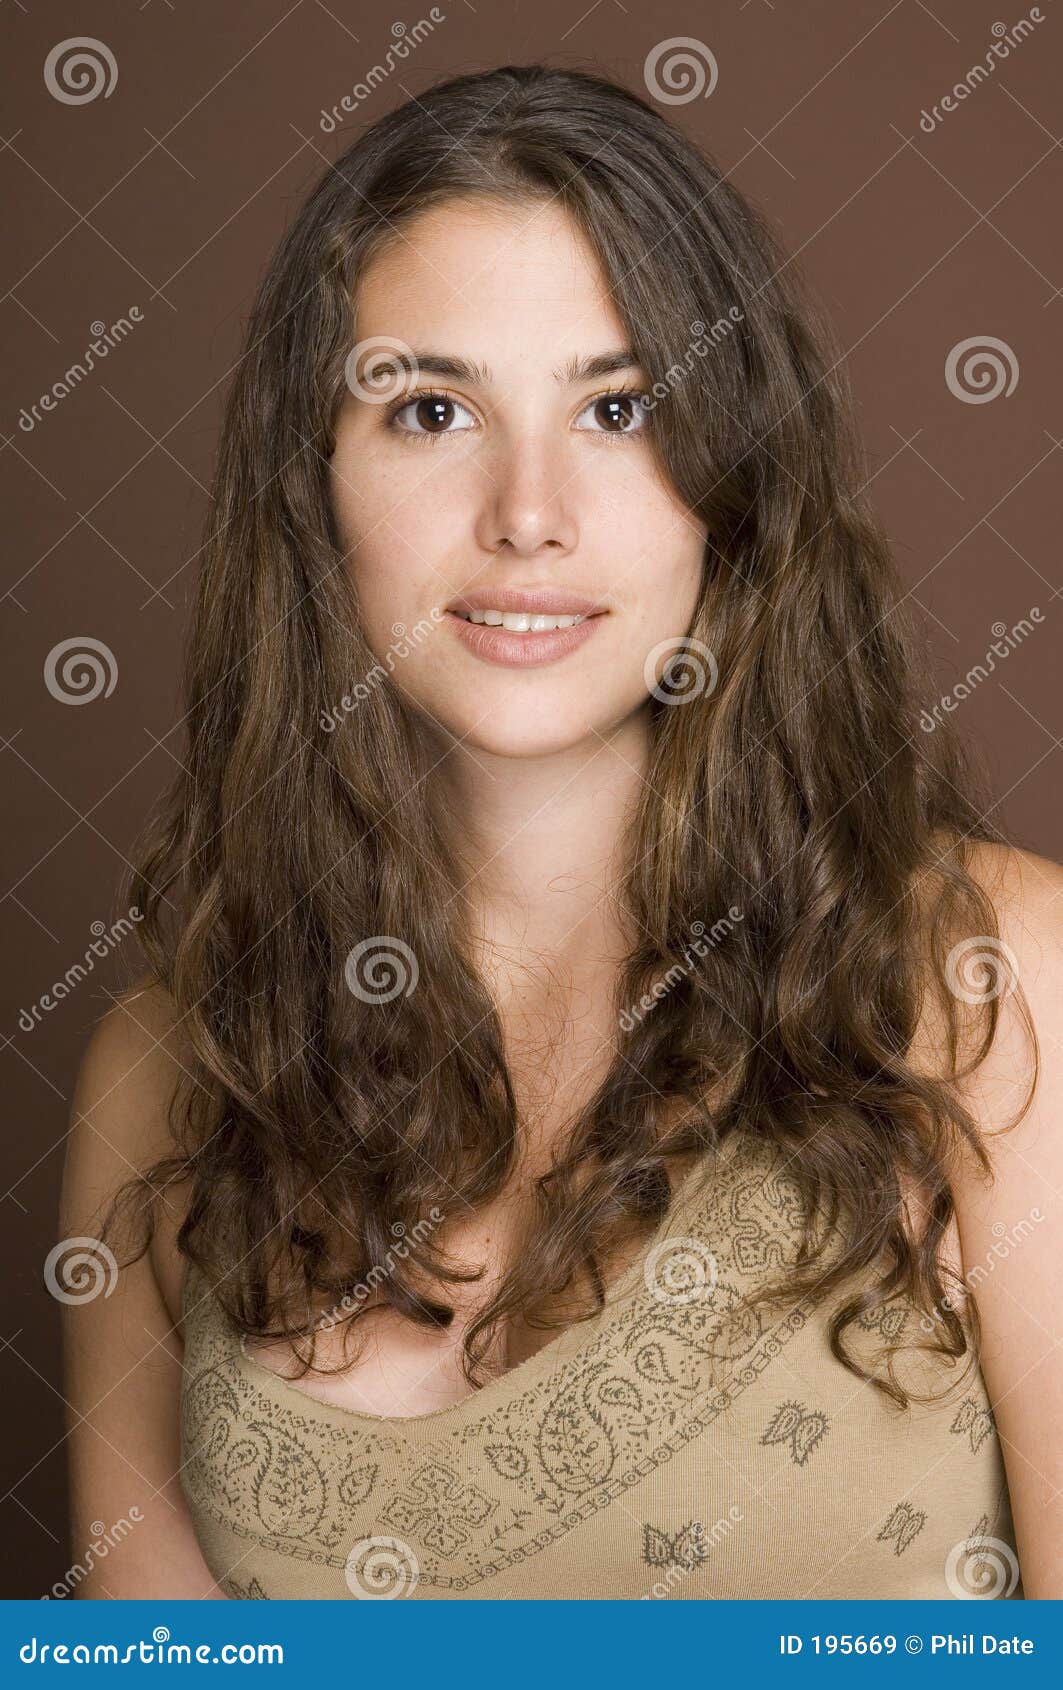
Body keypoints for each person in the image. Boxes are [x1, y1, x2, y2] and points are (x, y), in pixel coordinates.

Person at [58, 62, 1061, 1600]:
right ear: (312, 486)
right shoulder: (165, 1068)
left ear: (730, 486)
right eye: (431, 409)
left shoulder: (1000, 984)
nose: (528, 511)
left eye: (619, 408)